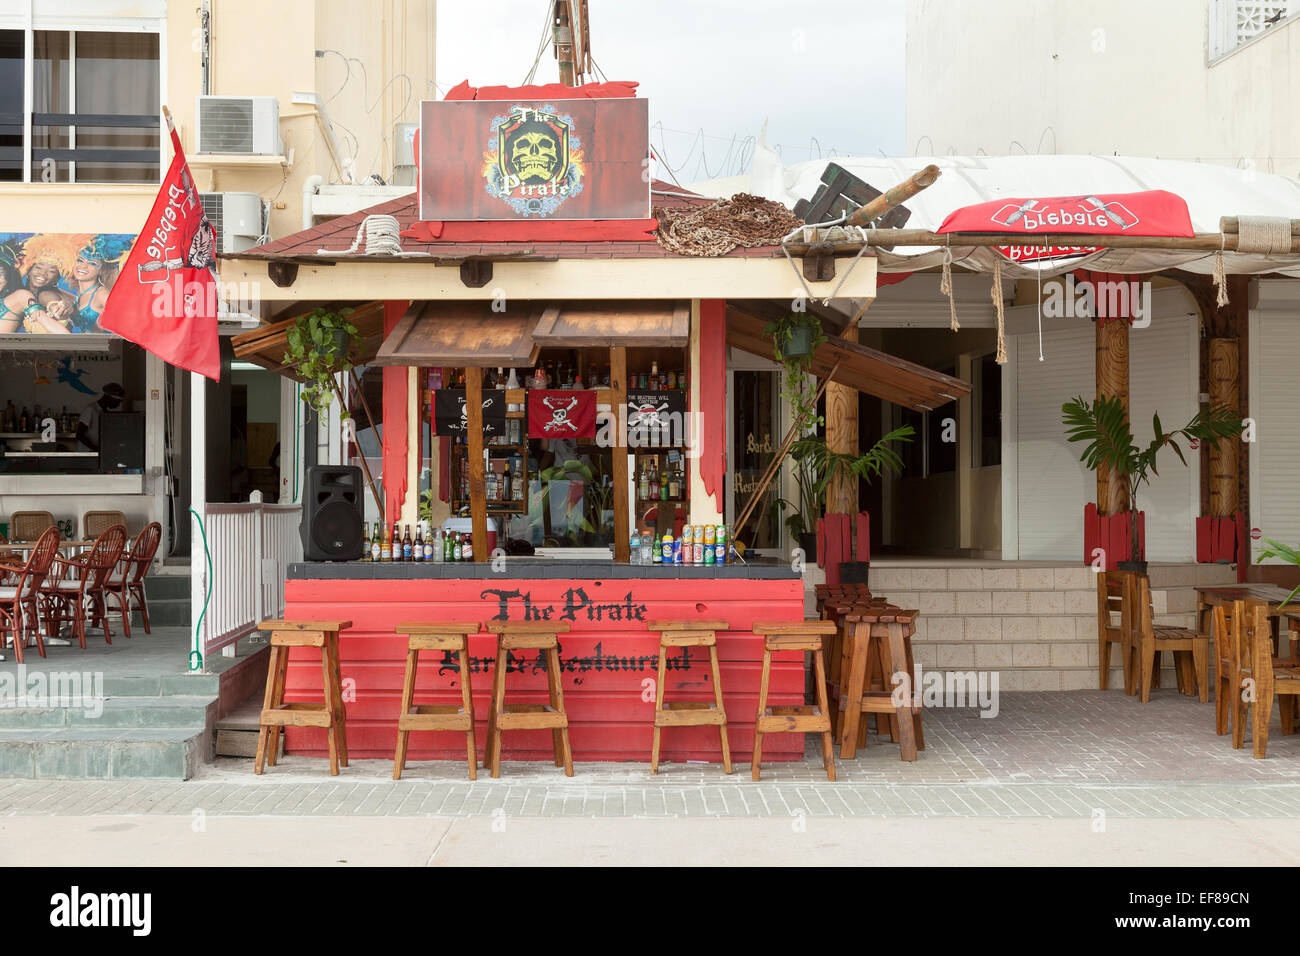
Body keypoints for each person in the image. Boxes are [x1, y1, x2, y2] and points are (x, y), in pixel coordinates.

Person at [76, 382, 126, 452]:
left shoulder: (105, 412)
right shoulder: (91, 409)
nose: (118, 405)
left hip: (97, 453)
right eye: (117, 401)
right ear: (108, 397)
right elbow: (79, 435)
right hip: (87, 453)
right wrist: (96, 449)